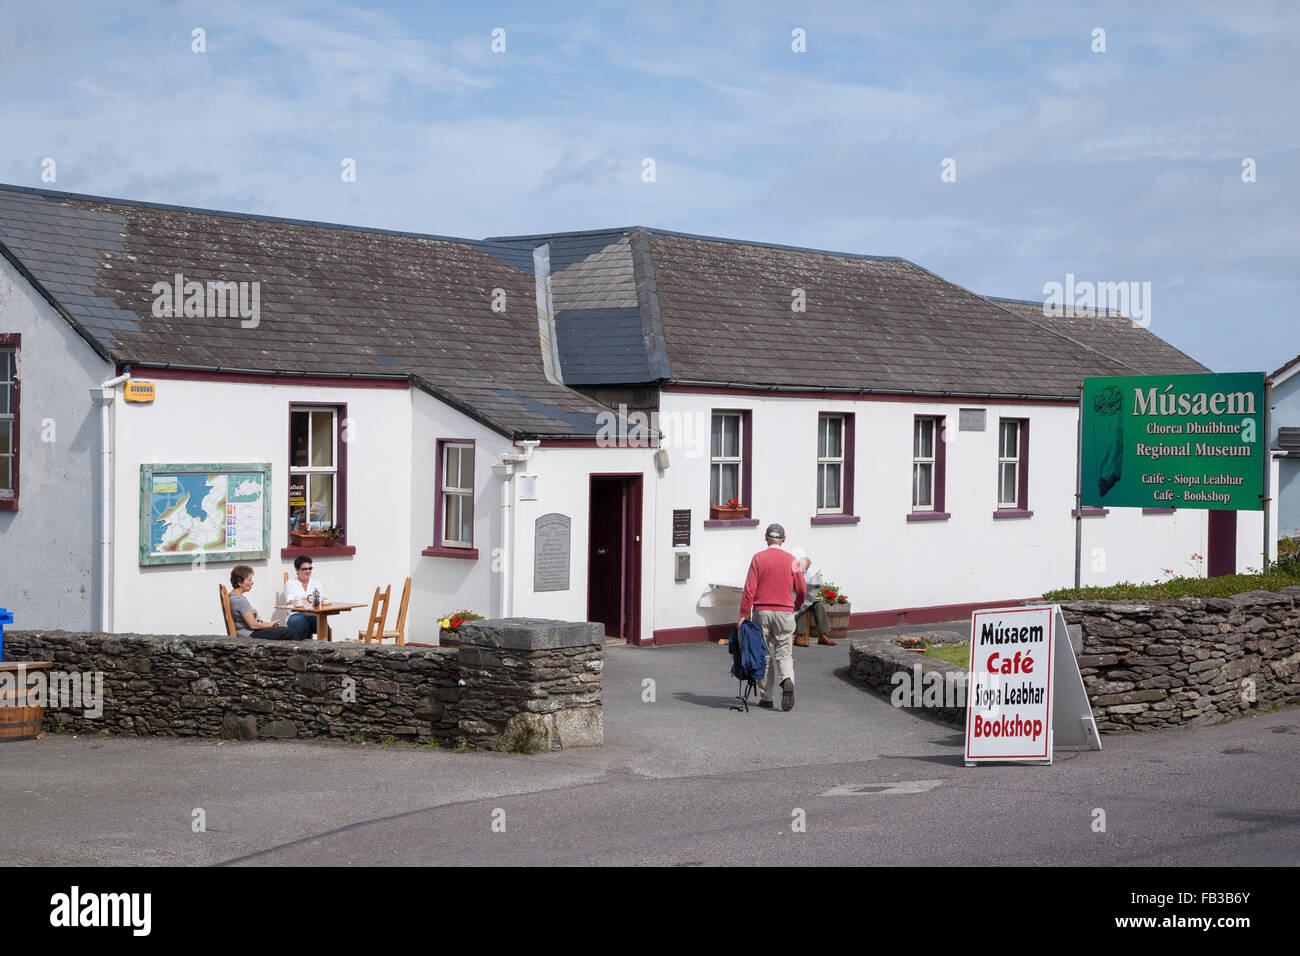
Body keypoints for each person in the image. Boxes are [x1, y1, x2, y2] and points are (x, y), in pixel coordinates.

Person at [738, 523, 805, 711]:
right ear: (783, 539)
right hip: (785, 611)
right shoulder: (792, 560)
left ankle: (766, 697)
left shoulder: (758, 558)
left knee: (764, 654)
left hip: (762, 611)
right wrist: (797, 604)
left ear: (766, 537)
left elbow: (749, 589)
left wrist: (744, 613)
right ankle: (787, 680)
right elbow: (801, 588)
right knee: (784, 653)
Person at [228, 566, 301, 640]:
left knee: (286, 631)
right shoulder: (239, 600)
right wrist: (269, 625)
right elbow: (253, 625)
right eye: (249, 580)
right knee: (290, 633)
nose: (252, 582)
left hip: (251, 632)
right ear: (240, 582)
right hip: (250, 634)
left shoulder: (233, 597)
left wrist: (269, 624)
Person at [794, 555, 837, 646]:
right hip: (795, 599)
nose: (807, 569)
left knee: (818, 604)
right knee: (801, 605)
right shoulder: (793, 572)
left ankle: (823, 635)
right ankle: (799, 636)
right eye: (806, 567)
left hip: (807, 598)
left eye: (808, 567)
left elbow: (810, 586)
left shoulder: (807, 573)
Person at [283, 555, 326, 640]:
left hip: (314, 613)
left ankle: (328, 648)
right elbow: (291, 602)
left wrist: (300, 600)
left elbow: (322, 600)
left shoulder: (317, 583)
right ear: (297, 570)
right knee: (300, 622)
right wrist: (311, 600)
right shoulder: (290, 583)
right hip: (296, 614)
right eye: (304, 569)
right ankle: (301, 650)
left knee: (322, 623)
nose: (308, 571)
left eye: (310, 568)